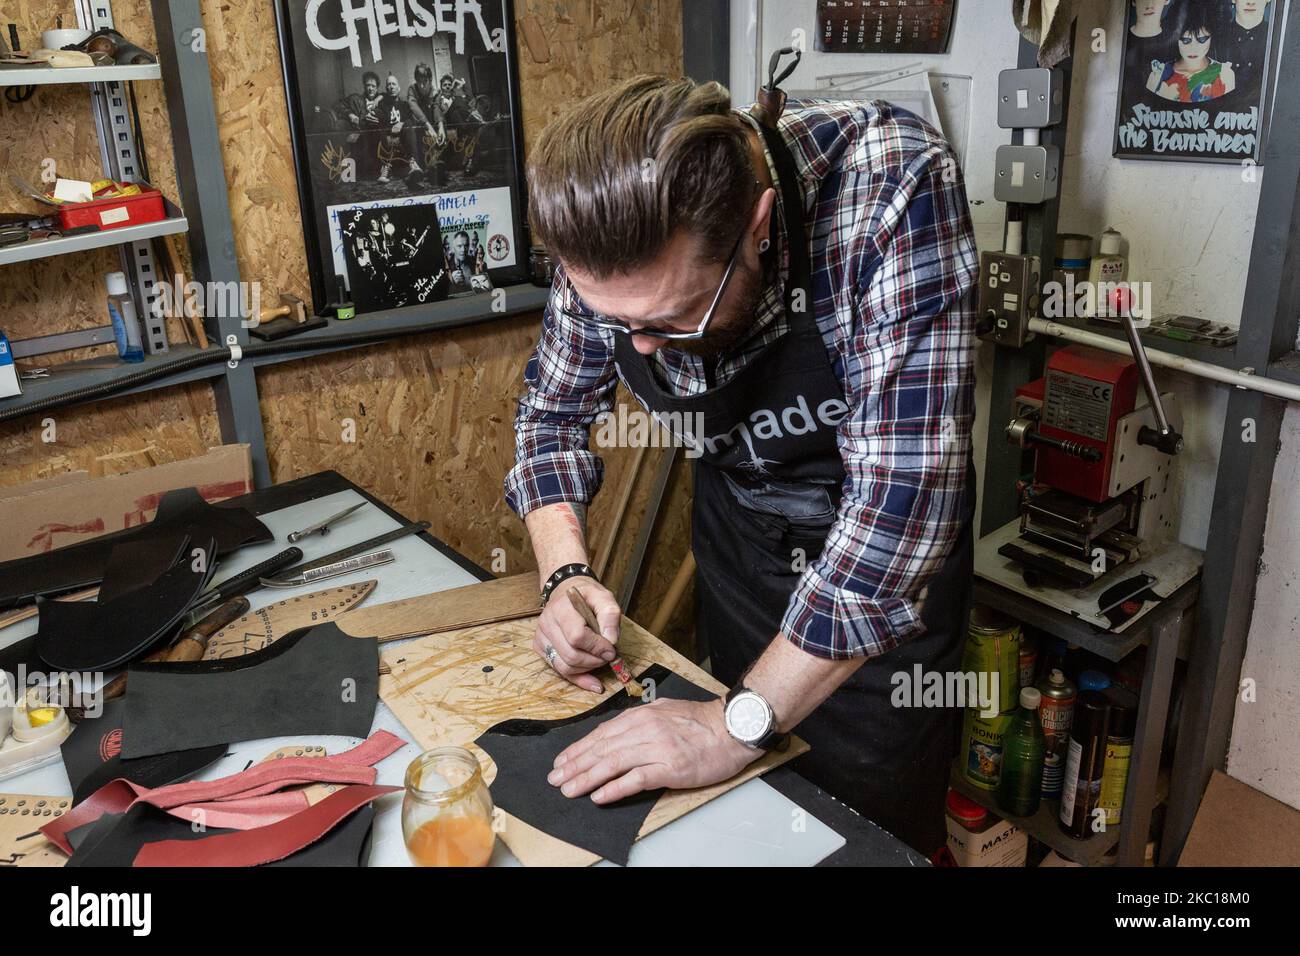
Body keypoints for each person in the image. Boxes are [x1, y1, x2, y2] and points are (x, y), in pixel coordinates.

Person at [503, 73, 978, 854]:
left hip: (878, 588)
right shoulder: (605, 234)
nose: (642, 347)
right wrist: (564, 573)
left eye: (670, 318)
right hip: (742, 548)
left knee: (864, 839)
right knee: (747, 827)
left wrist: (735, 725)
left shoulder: (893, 187)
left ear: (757, 224)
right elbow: (550, 418)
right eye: (617, 322)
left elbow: (900, 510)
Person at [1148, 1, 1236, 102]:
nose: (1193, 48)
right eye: (1186, 40)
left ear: (1213, 36)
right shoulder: (1157, 75)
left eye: (1202, 40)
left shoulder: (1225, 75)